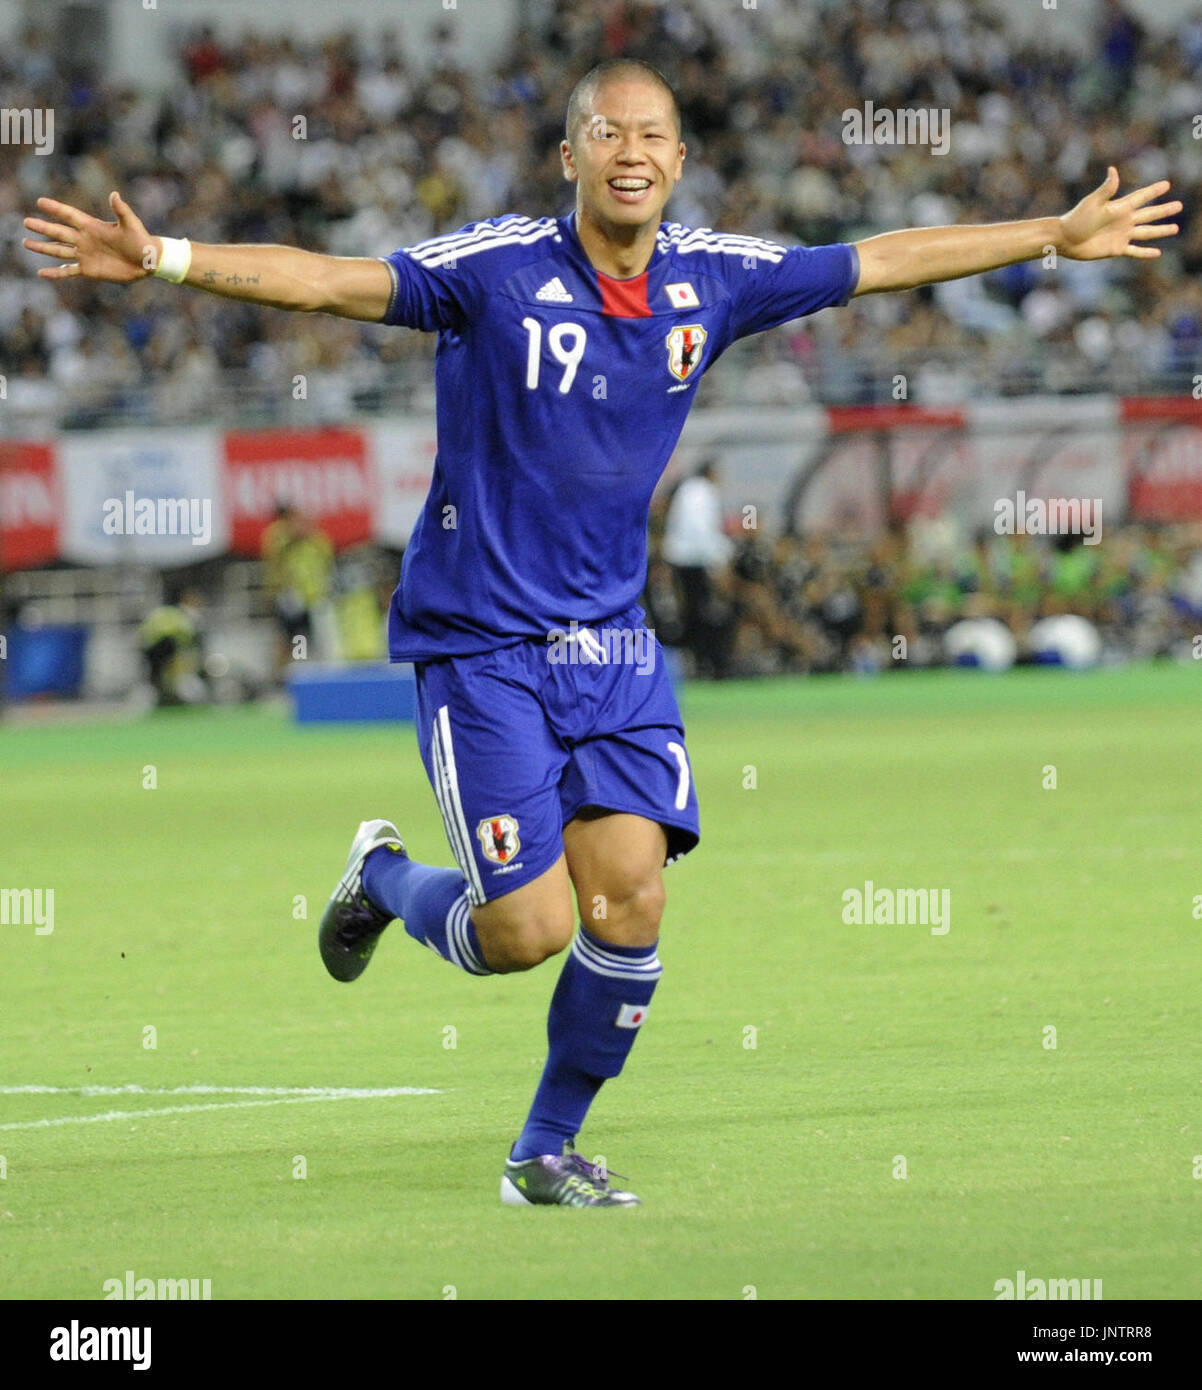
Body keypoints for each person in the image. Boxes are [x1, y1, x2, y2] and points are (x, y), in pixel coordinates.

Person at [24, 58, 1180, 1206]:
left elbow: (879, 261)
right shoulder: (492, 271)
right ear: (568, 155)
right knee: (523, 930)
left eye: (652, 136)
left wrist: (1051, 235)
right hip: (479, 644)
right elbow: (327, 283)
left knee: (630, 898)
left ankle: (542, 1148)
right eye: (605, 133)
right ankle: (379, 876)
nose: (630, 152)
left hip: (613, 648)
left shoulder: (712, 279)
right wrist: (164, 259)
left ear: (678, 160)